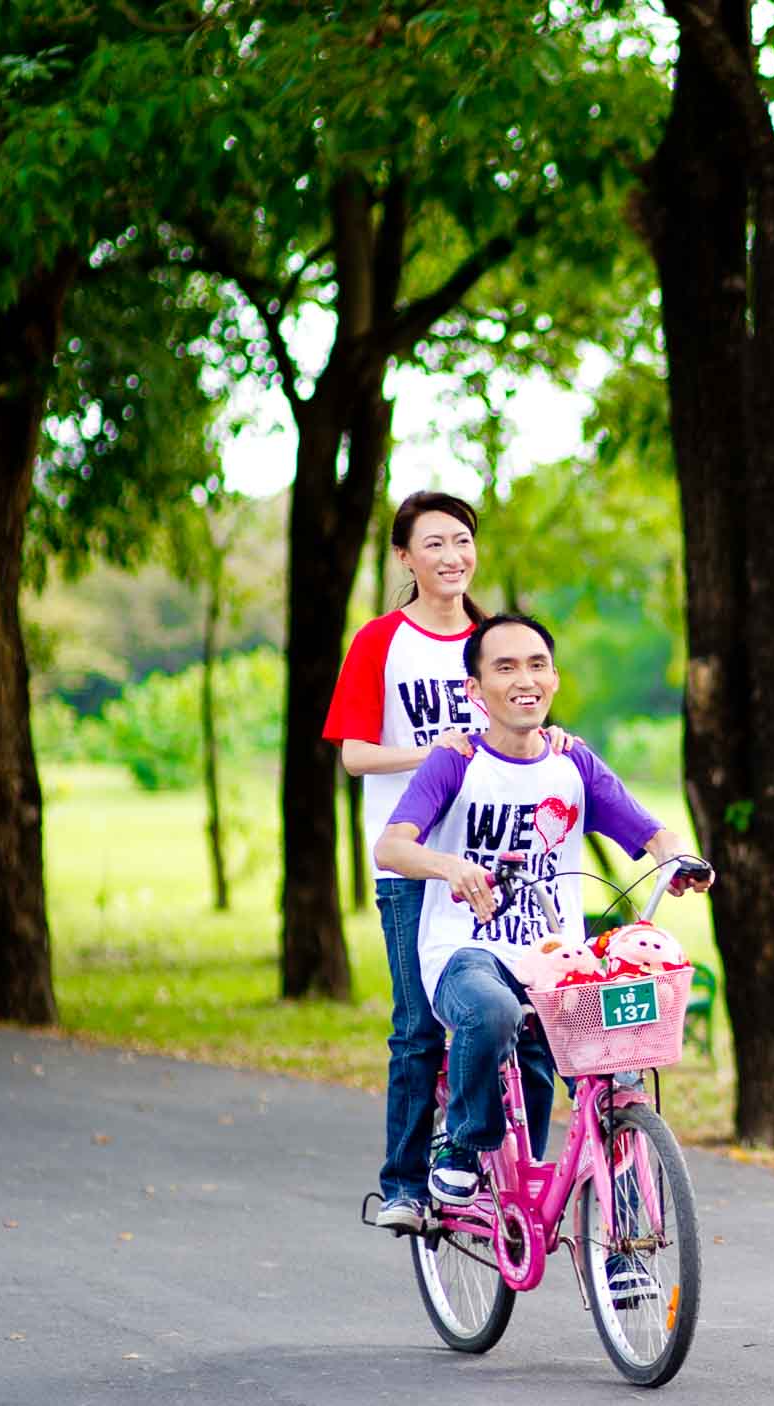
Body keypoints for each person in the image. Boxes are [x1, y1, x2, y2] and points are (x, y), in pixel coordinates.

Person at [372, 613, 708, 1207]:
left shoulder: (572, 762)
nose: (523, 679)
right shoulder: (455, 762)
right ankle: (467, 1143)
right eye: (503, 667)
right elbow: (391, 846)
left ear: (554, 678)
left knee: (617, 1073)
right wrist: (451, 867)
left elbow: (651, 832)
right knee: (494, 1012)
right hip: (466, 953)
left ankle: (629, 1239)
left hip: (557, 960)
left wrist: (680, 859)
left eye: (536, 665)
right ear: (474, 691)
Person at [323, 490, 566, 1232]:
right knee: (420, 1027)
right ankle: (403, 1184)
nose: (451, 556)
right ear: (404, 557)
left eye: (461, 540)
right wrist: (432, 752)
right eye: (433, 544)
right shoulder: (380, 642)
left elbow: (533, 724)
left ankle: (516, 1170)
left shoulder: (497, 638)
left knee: (534, 1018)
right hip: (414, 862)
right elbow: (355, 753)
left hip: (504, 860)